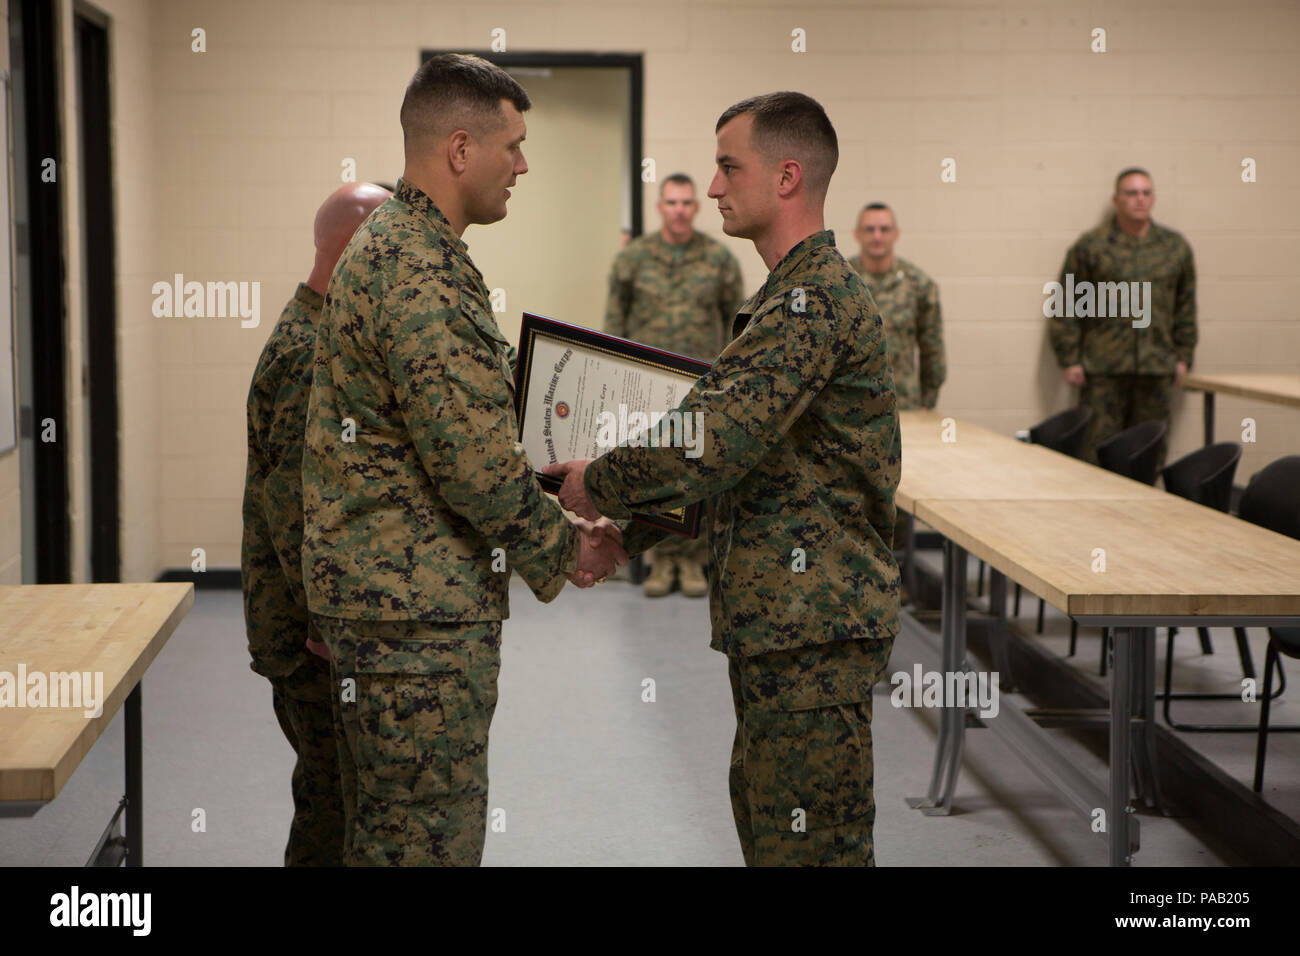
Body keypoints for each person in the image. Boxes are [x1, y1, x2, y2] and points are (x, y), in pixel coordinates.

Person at [547, 91, 900, 867]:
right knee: (776, 833)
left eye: (727, 166)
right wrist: (629, 534)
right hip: (787, 623)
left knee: (813, 851)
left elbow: (711, 440)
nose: (711, 189)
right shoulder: (784, 297)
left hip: (813, 623)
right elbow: (746, 462)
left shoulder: (810, 302)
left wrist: (597, 485)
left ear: (786, 176)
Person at [300, 53, 625, 867]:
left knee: (387, 833)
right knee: (423, 843)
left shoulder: (407, 249)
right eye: (512, 145)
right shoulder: (416, 267)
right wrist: (567, 548)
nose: (524, 163)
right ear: (459, 149)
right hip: (413, 626)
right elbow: (474, 468)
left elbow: (459, 433)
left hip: (400, 612)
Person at [241, 181, 391, 866]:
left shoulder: (322, 330)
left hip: (308, 625)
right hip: (309, 638)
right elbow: (292, 507)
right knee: (333, 808)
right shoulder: (311, 352)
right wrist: (326, 621)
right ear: (356, 250)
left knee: (331, 796)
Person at [605, 173, 745, 597]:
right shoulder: (633, 260)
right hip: (645, 386)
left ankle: (694, 562)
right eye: (672, 202)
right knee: (652, 472)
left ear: (695, 208)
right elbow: (614, 323)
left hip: (700, 387)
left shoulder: (718, 260)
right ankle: (661, 563)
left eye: (686, 202)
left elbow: (737, 328)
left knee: (696, 472)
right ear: (660, 207)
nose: (679, 210)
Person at [1049, 167, 1197, 466]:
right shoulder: (1092, 246)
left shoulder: (1174, 247)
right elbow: (1066, 302)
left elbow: (1186, 304)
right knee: (1097, 451)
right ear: (1116, 199)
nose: (1140, 200)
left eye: (1146, 192)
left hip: (1157, 367)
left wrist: (1183, 355)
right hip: (1103, 368)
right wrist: (1069, 358)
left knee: (1149, 453)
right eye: (1131, 193)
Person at [847, 202, 946, 410]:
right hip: (850, 408)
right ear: (857, 234)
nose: (877, 236)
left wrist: (927, 405)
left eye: (884, 229)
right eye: (869, 229)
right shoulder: (842, 282)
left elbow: (933, 353)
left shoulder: (919, 285)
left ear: (896, 234)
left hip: (903, 406)